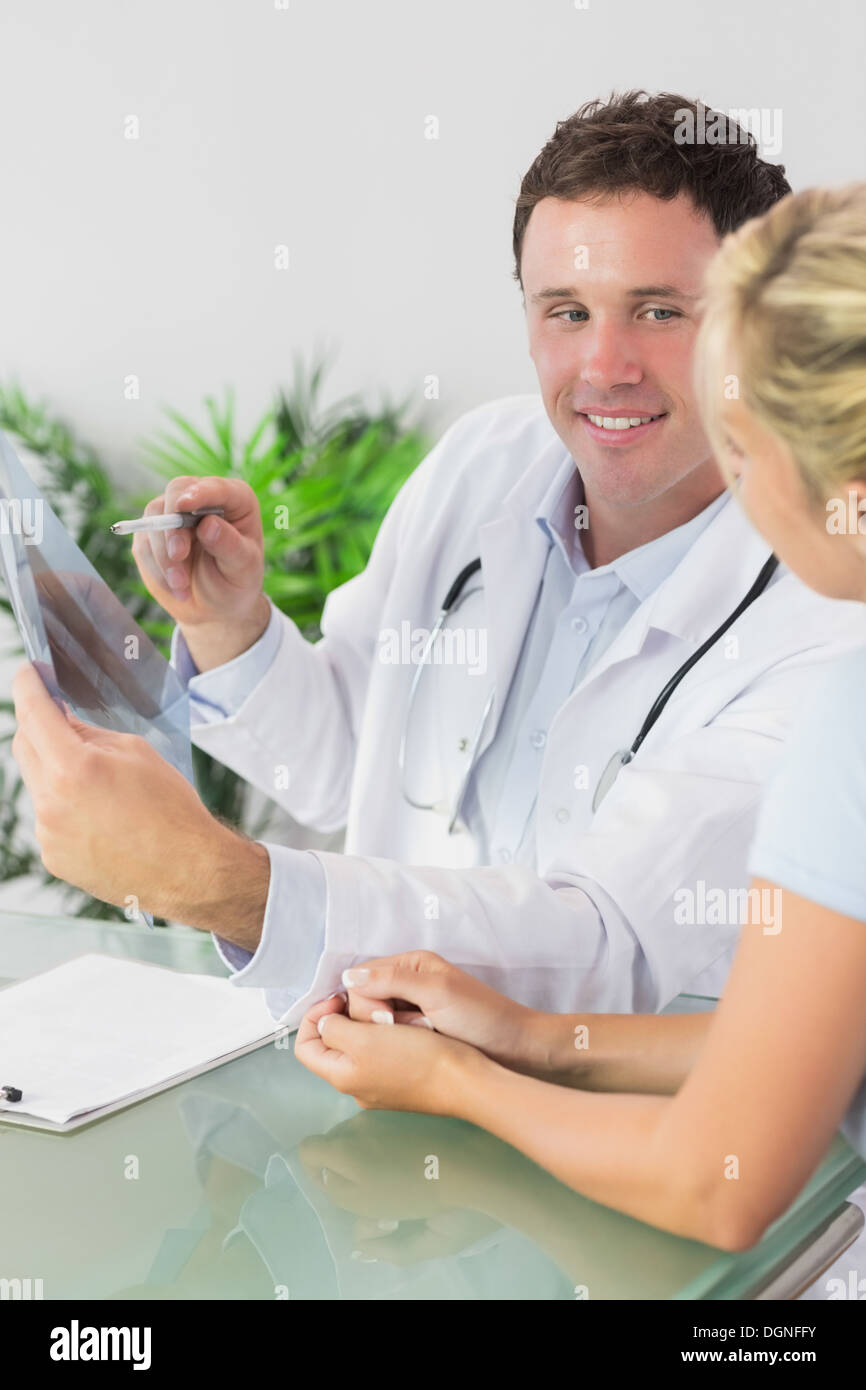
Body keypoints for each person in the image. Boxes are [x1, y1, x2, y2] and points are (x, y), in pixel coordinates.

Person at [10, 93, 864, 1029]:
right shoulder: (481, 462)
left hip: (633, 1132)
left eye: (659, 310)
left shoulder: (826, 611)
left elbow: (608, 947)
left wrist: (227, 886)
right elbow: (349, 766)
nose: (604, 365)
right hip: (388, 1097)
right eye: (567, 311)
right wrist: (231, 628)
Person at [293, 182, 866, 1253]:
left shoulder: (848, 713)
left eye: (741, 447)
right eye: (564, 309)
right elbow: (816, 1039)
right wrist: (533, 1037)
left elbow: (716, 1180)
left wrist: (465, 1082)